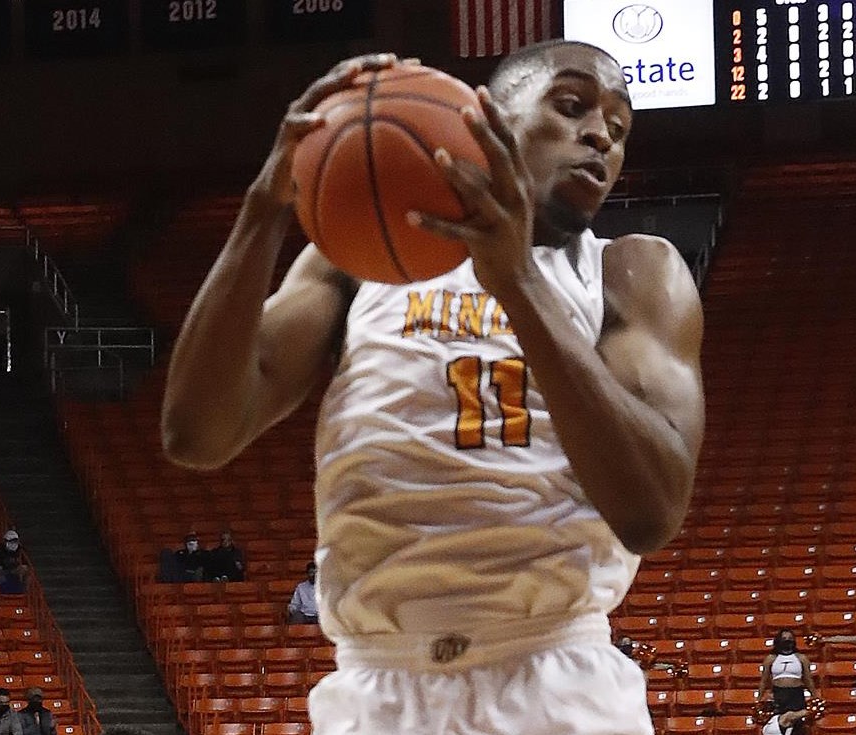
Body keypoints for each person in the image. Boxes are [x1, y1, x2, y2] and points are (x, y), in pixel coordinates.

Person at [160, 39, 705, 735]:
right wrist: (263, 213)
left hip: (552, 677)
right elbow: (195, 435)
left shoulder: (632, 271)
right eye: (571, 107)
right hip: (376, 687)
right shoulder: (355, 261)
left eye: (619, 129)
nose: (600, 134)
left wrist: (517, 283)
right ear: (486, 117)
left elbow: (651, 512)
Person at [760, 628, 818, 718]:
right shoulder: (770, 659)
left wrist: (815, 696)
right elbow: (764, 680)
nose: (787, 640)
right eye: (784, 639)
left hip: (796, 694)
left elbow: (808, 679)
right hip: (779, 693)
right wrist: (759, 699)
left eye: (790, 638)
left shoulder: (801, 658)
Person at [0, 530, 28, 594]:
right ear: (5, 541)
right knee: (0, 579)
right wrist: (12, 572)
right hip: (0, 574)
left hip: (14, 575)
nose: (13, 543)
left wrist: (21, 569)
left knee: (26, 577)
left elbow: (25, 566)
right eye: (11, 541)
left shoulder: (19, 549)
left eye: (15, 541)